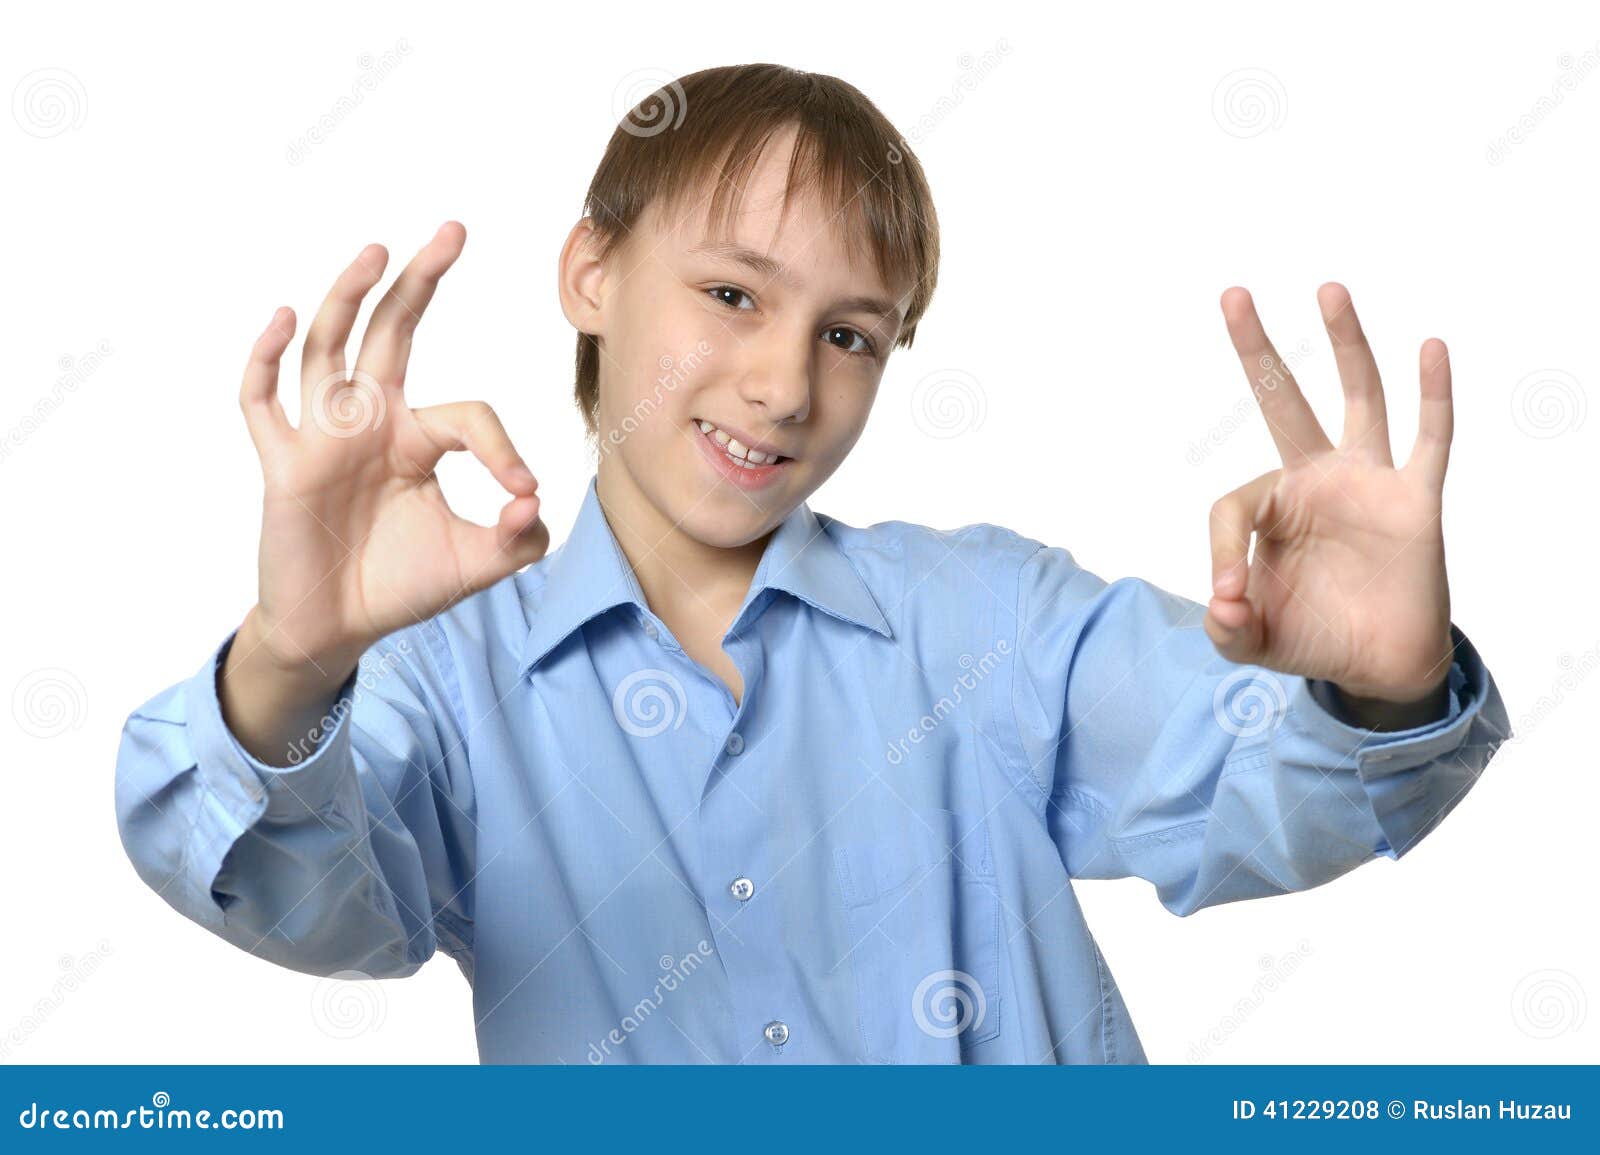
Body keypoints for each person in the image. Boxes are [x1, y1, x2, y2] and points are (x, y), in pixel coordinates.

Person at [113, 63, 1511, 1064]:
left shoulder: (993, 619)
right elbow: (306, 908)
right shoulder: (440, 678)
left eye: (850, 333)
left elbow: (1251, 781)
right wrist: (292, 665)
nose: (785, 387)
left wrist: (1377, 697)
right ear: (592, 270)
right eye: (732, 294)